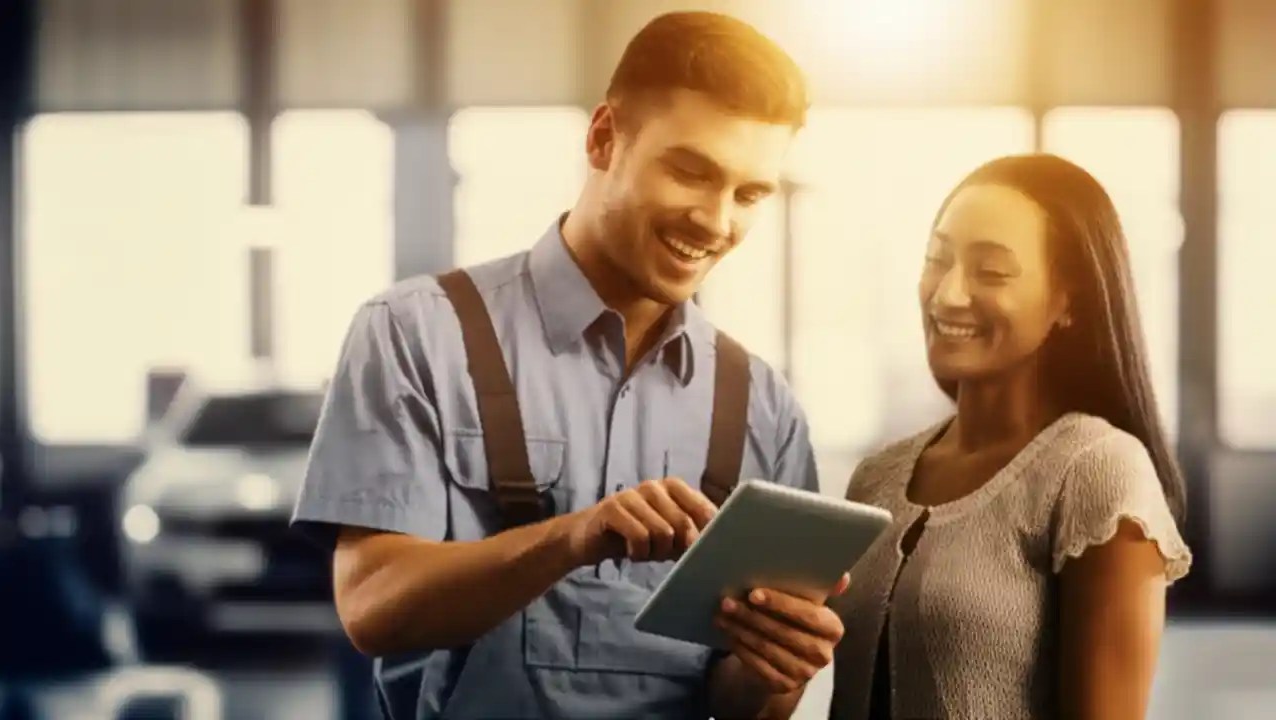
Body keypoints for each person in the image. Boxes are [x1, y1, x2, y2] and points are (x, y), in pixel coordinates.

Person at [291, 11, 846, 720]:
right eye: (689, 171)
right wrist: (575, 536)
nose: (715, 220)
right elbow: (371, 606)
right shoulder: (416, 333)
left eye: (749, 194)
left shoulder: (765, 408)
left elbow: (741, 706)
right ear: (604, 137)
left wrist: (776, 673)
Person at [829, 154, 1193, 720]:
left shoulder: (1097, 470)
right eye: (936, 260)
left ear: (1068, 301)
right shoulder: (875, 478)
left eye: (992, 273)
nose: (947, 295)